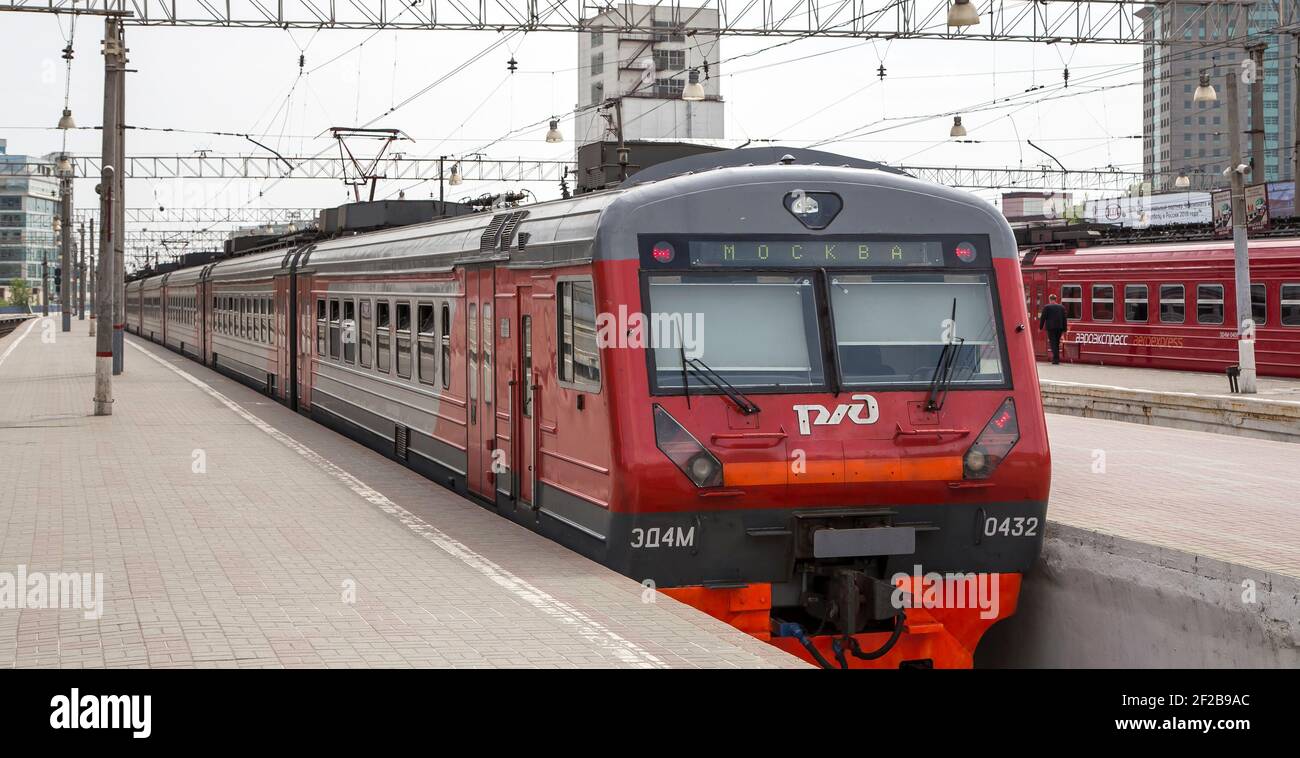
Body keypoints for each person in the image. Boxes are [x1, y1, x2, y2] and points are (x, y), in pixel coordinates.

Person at [1039, 294, 1069, 365]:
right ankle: (1056, 359)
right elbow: (1064, 318)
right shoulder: (1061, 307)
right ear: (1055, 299)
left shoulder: (1047, 307)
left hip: (1051, 328)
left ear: (1050, 299)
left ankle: (1055, 359)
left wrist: (1040, 327)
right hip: (1059, 328)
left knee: (1053, 343)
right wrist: (1065, 329)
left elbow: (1043, 318)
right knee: (1057, 342)